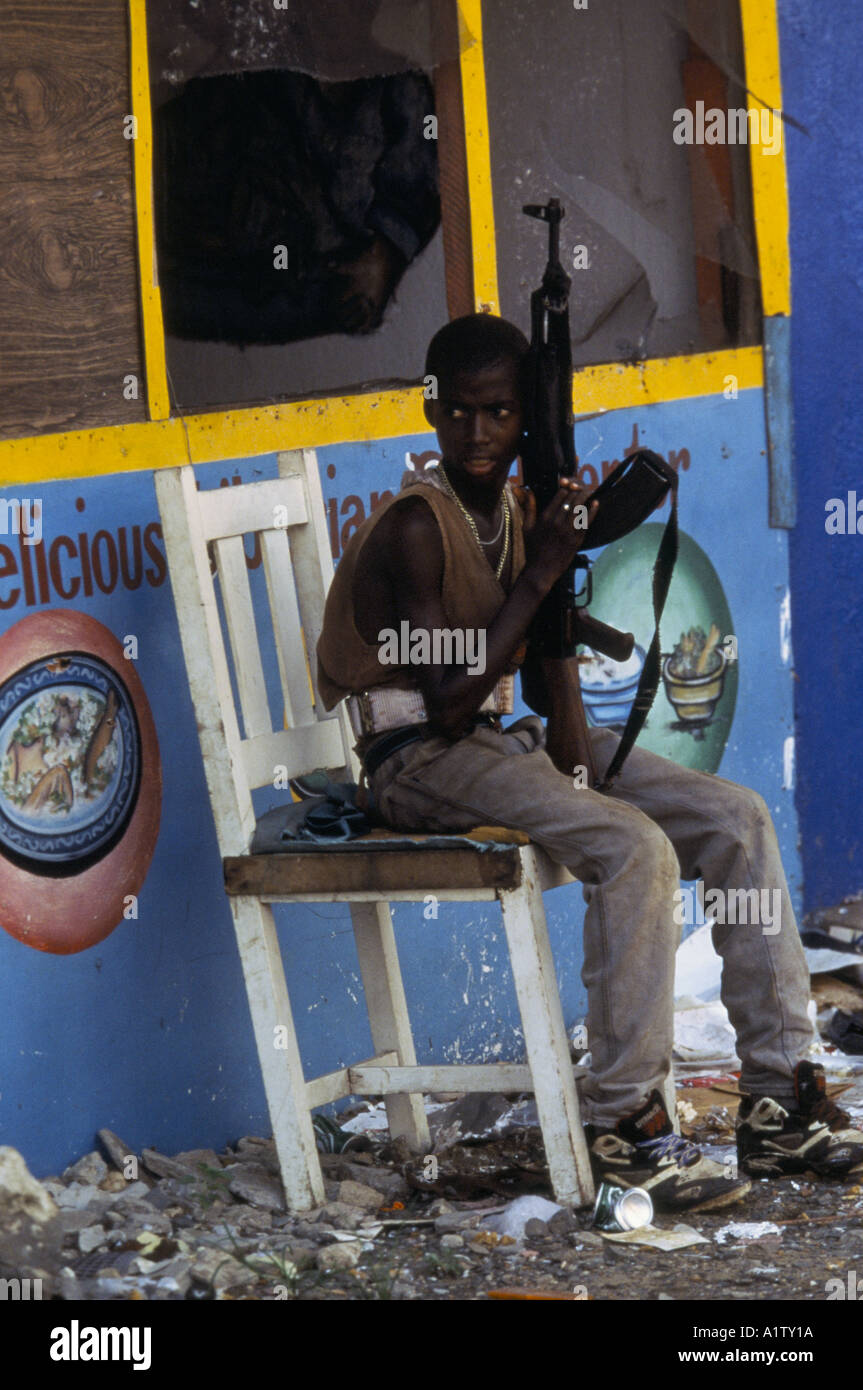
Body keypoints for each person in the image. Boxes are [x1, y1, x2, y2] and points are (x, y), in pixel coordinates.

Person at [317, 312, 863, 1212]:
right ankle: (625, 1127)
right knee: (633, 848)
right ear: (430, 411)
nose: (477, 433)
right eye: (456, 413)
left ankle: (778, 1099)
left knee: (735, 820)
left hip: (500, 742)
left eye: (497, 412)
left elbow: (537, 690)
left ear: (524, 413)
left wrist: (557, 606)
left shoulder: (516, 508)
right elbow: (450, 701)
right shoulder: (417, 527)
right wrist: (544, 570)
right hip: (417, 759)